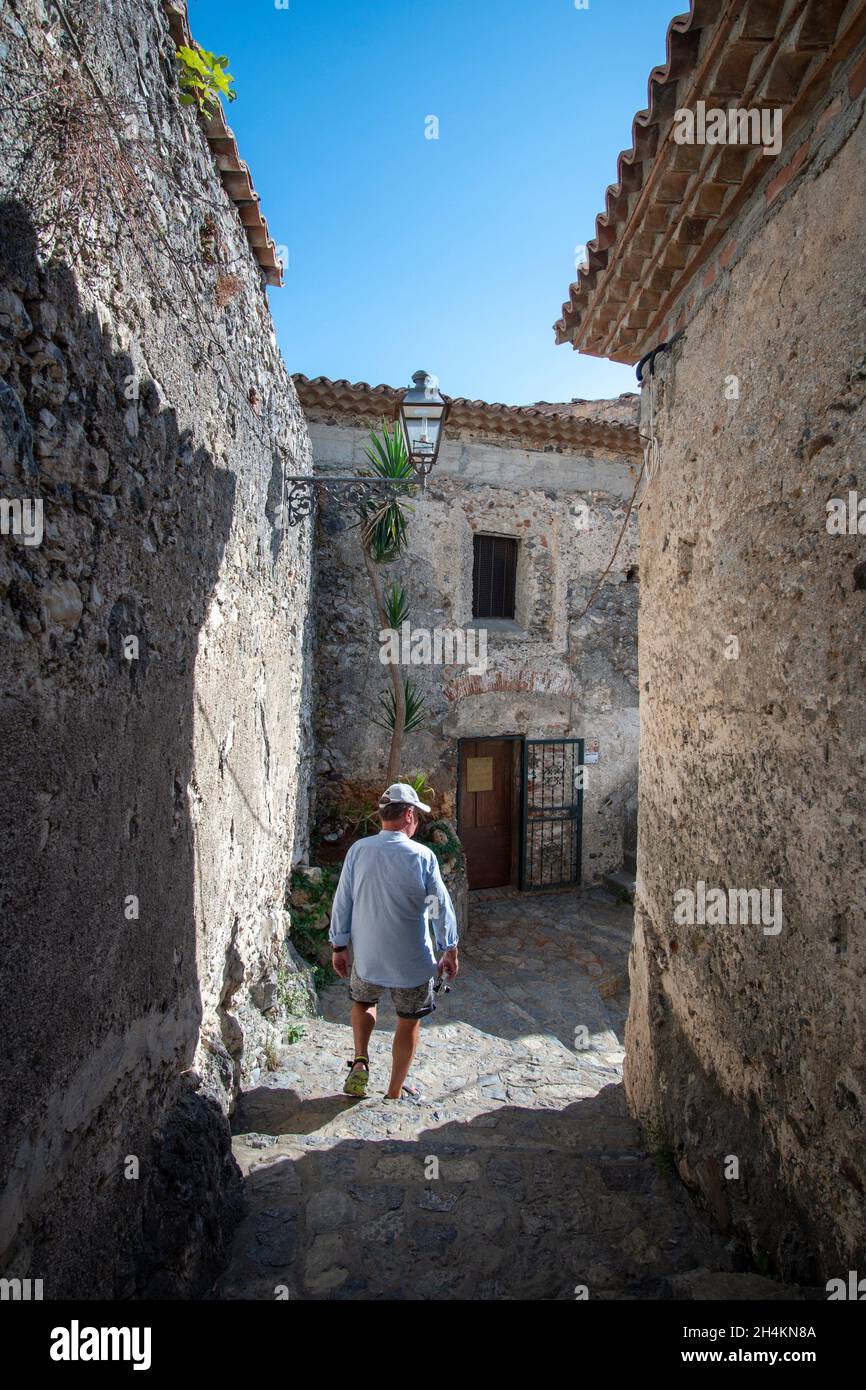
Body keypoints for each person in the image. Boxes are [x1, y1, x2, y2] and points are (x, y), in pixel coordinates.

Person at [328, 782, 459, 1101]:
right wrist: (449, 949)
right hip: (412, 963)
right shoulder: (423, 856)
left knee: (363, 1003)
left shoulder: (359, 851)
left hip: (369, 958)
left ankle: (360, 1060)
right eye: (418, 816)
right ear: (409, 815)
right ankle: (393, 1091)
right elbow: (436, 906)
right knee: (408, 1021)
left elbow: (343, 901)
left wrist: (339, 946)